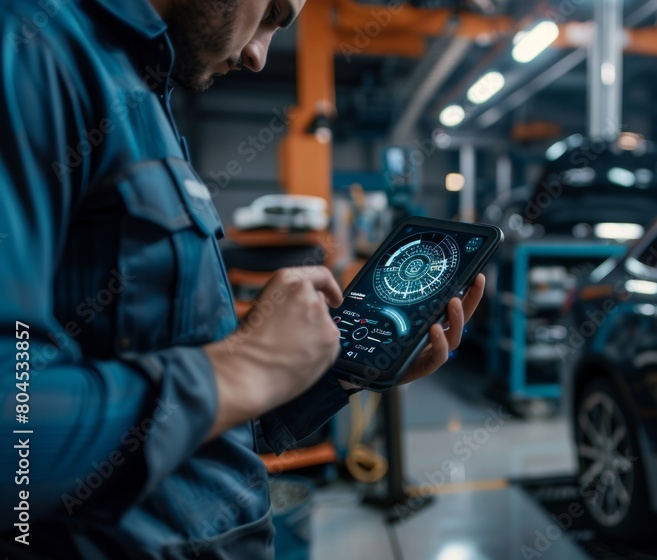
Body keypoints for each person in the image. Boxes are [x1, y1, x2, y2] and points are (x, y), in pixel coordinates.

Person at [0, 0, 485, 557]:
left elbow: (192, 424)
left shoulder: (142, 89)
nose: (258, 55)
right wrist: (244, 363)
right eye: (273, 12)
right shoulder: (31, 47)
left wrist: (339, 373)